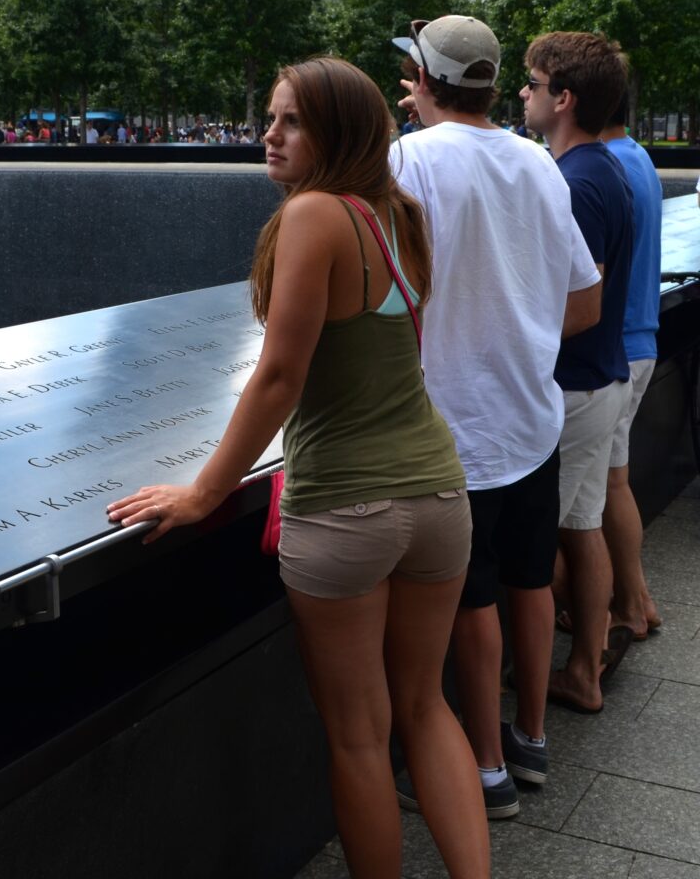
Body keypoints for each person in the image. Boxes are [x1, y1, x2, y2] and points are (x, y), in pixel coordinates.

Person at [108, 58, 489, 878]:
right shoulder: (397, 214)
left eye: (291, 122)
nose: (269, 135)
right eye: (271, 118)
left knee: (359, 737)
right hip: (437, 495)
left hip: (347, 509)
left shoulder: (314, 215)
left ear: (337, 133)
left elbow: (280, 376)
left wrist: (204, 492)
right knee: (426, 707)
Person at [389, 16, 600, 815]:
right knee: (529, 580)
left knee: (474, 599)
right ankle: (531, 738)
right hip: (532, 420)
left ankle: (486, 770)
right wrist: (522, 330)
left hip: (456, 429)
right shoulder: (538, 162)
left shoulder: (407, 160)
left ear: (424, 81)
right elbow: (585, 301)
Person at [521, 31, 633, 716]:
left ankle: (526, 702)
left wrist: (512, 344)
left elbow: (580, 305)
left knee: (533, 551)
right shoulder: (602, 168)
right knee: (584, 528)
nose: (523, 94)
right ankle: (585, 669)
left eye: (532, 84)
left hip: (574, 388)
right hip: (601, 380)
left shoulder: (577, 184)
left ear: (563, 99)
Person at [599, 96, 663, 641]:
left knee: (607, 487)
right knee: (613, 481)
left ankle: (629, 607)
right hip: (639, 338)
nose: (525, 94)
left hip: (616, 348)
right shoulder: (635, 155)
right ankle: (638, 599)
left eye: (534, 84)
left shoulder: (606, 165)